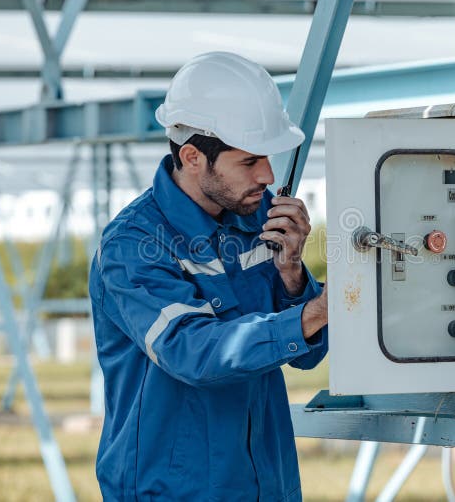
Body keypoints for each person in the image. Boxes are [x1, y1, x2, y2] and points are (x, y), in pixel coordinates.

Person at [89, 51, 329, 501]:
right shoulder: (131, 247)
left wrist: (294, 273)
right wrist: (316, 311)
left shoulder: (257, 217)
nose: (268, 175)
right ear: (193, 156)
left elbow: (305, 356)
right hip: (174, 490)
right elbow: (193, 352)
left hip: (266, 486)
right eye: (249, 161)